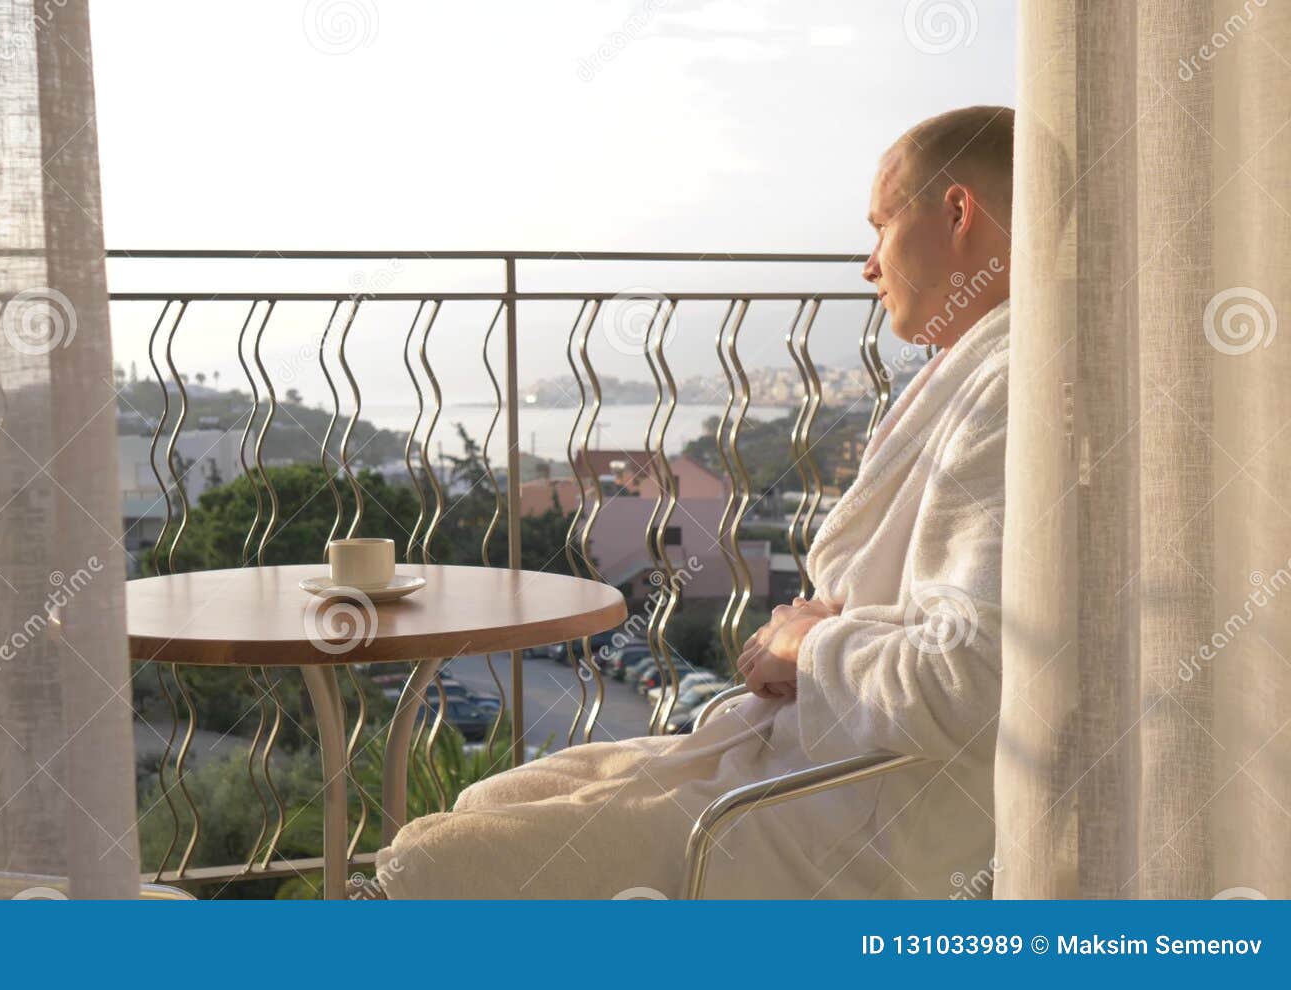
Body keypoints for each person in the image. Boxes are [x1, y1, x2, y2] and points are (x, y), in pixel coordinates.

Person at [377, 106, 1015, 899]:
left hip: (857, 816)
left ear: (957, 213)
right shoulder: (975, 371)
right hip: (809, 755)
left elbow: (971, 682)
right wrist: (806, 641)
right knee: (487, 800)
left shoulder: (1011, 390)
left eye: (880, 227)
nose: (867, 265)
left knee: (433, 864)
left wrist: (808, 649)